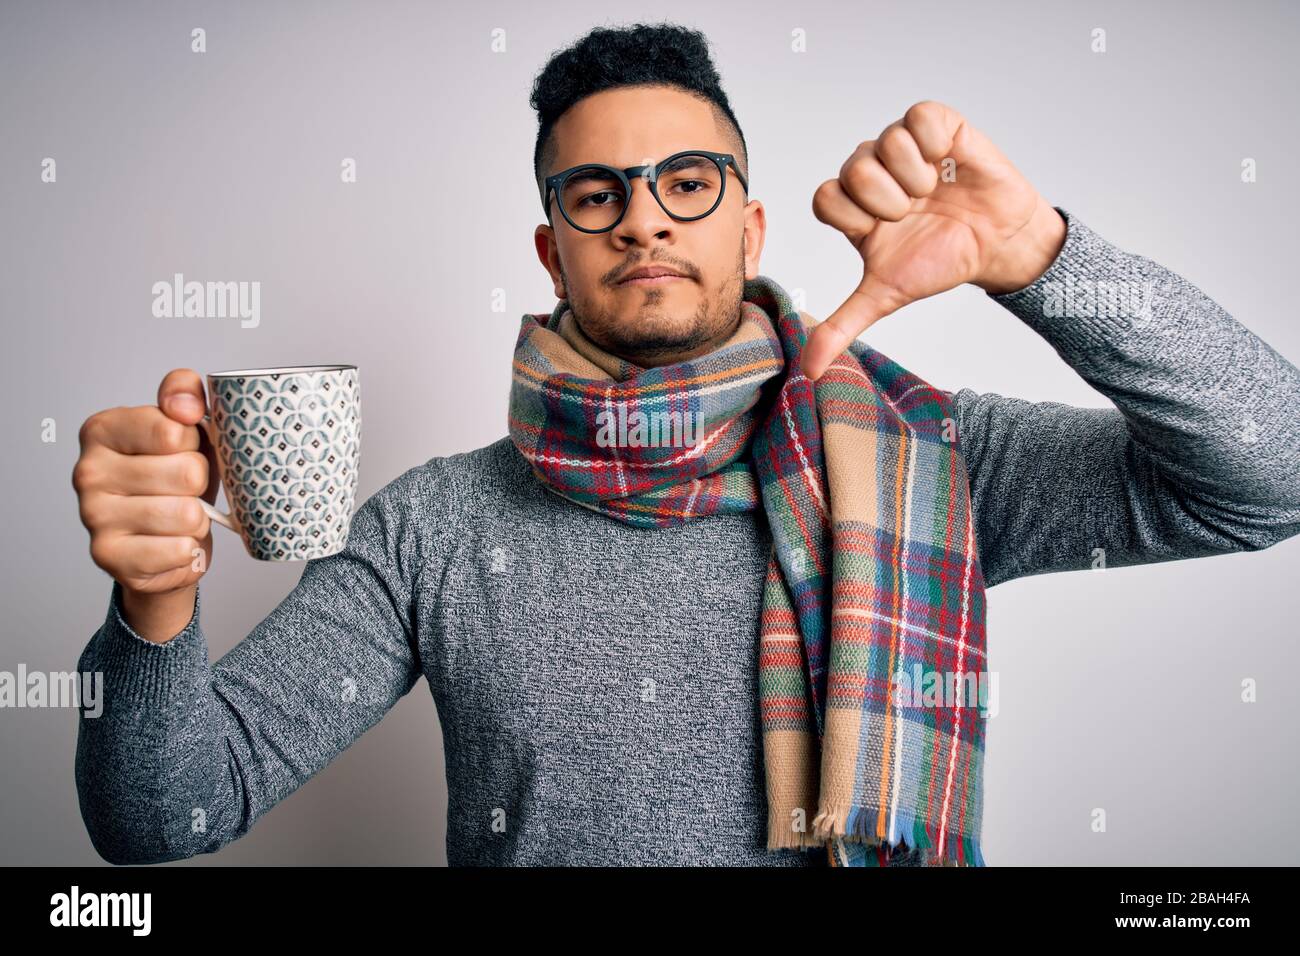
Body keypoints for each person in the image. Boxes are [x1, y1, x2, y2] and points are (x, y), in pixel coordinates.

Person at [72, 22, 1300, 867]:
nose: (644, 217)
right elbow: (166, 810)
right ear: (553, 247)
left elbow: (1270, 476)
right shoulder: (432, 524)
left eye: (688, 181)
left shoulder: (925, 458)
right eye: (596, 192)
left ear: (750, 222)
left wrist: (1041, 254)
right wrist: (155, 601)